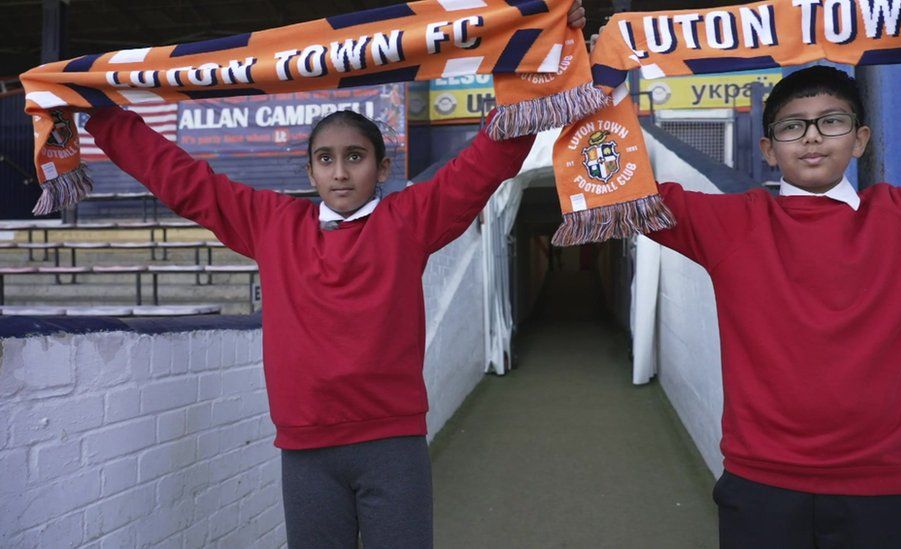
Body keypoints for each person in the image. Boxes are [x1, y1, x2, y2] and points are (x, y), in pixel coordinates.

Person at [83, 4, 585, 546]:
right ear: (310, 170)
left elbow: (488, 158)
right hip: (305, 454)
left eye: (355, 157)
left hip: (393, 447)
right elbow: (182, 180)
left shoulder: (407, 221)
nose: (340, 171)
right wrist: (100, 116)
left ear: (382, 168)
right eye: (325, 158)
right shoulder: (272, 224)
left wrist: (541, 46)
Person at [643, 65, 901, 548]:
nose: (812, 138)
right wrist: (594, 85)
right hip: (759, 489)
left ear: (859, 140)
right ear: (769, 150)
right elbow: (616, 192)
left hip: (878, 493)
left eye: (831, 121)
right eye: (793, 126)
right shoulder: (734, 223)